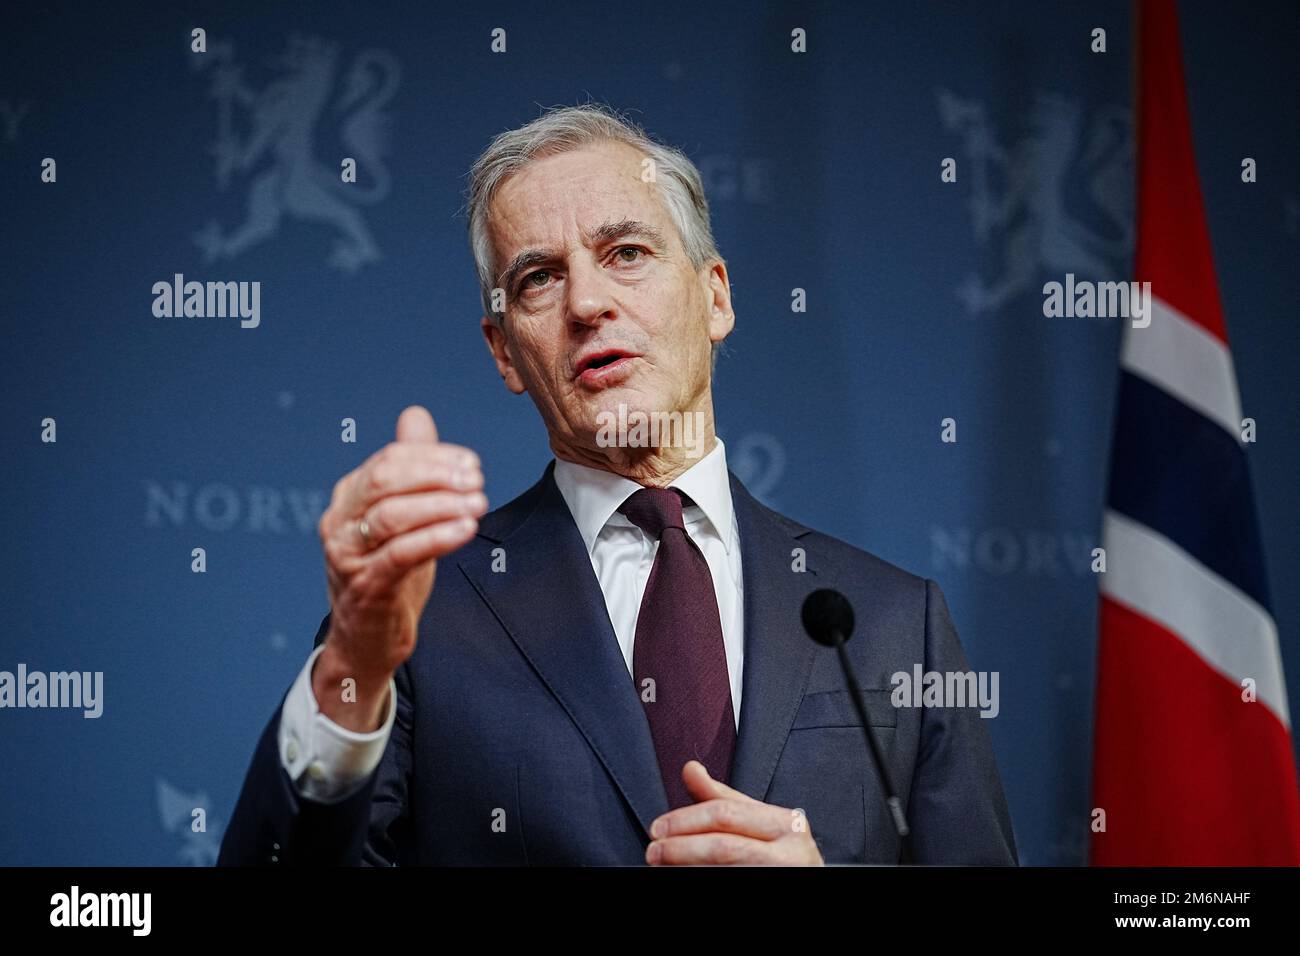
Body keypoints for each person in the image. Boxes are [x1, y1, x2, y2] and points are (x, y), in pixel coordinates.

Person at [218, 103, 1017, 866]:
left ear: (715, 296)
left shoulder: (890, 623)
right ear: (504, 352)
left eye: (626, 253)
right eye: (538, 278)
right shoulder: (419, 617)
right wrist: (351, 670)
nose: (588, 303)